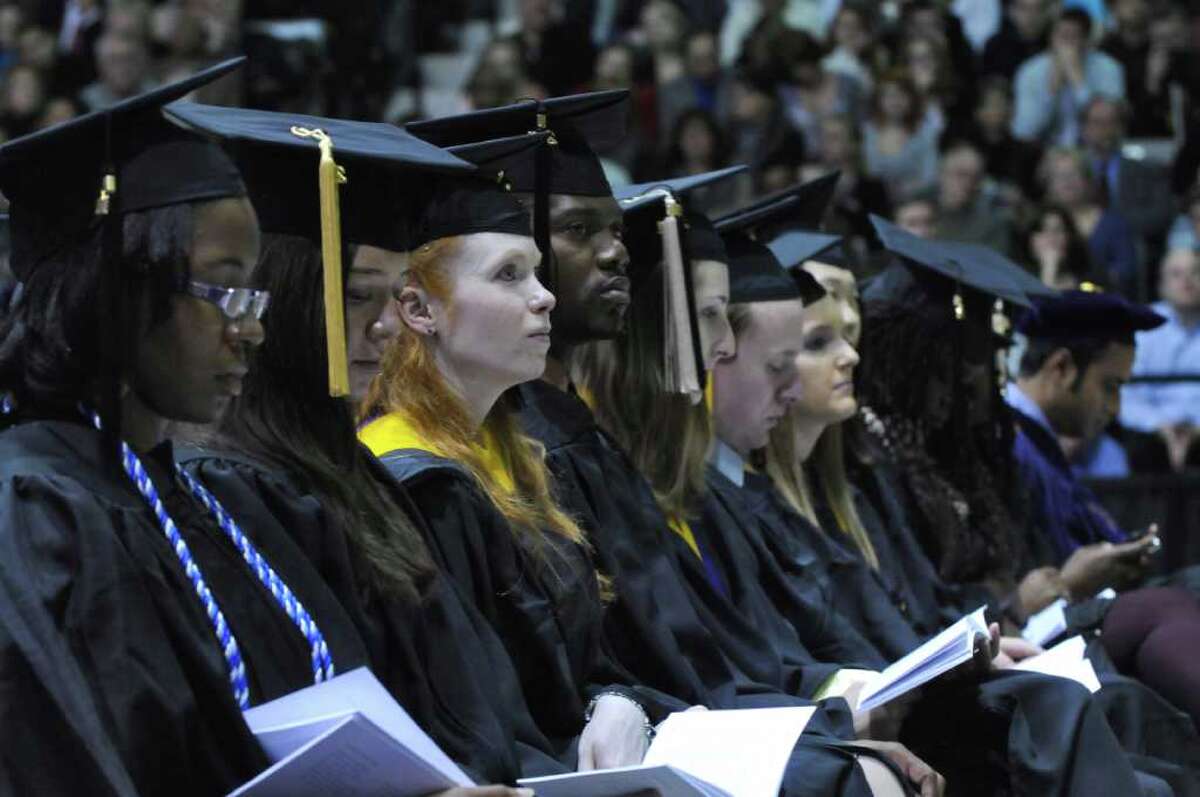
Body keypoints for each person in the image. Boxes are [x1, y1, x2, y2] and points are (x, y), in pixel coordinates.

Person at [173, 104, 600, 787]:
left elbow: (483, 706)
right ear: (287, 298)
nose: (385, 326)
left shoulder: (358, 478)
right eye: (356, 295)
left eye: (395, 296)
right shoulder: (227, 487)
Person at [0, 59, 375, 797]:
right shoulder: (32, 516)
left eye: (254, 293)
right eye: (224, 289)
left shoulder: (225, 502)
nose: (253, 330)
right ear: (115, 291)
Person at [1120, 247, 1200, 471]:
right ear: (1162, 286)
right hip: (1151, 434)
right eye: (1176, 274)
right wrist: (1161, 427)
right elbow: (1126, 395)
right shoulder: (1145, 324)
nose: (1187, 280)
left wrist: (1194, 432)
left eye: (1195, 272)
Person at [1011, 8, 1124, 147]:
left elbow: (1108, 126)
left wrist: (1079, 82)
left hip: (1095, 150)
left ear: (1086, 40)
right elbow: (1025, 131)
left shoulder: (1109, 68)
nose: (1066, 45)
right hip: (1043, 151)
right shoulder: (1030, 71)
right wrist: (1051, 91)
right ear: (1050, 37)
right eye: (1062, 36)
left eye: (1073, 37)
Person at [1039, 147, 1139, 297]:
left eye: (1074, 174)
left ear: (1088, 179)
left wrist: (1080, 284)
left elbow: (1125, 273)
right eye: (1060, 176)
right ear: (1048, 184)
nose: (1067, 182)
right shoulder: (1038, 224)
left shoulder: (1113, 224)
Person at [1078, 96, 1175, 250]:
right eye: (1097, 122)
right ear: (1084, 129)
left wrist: (1115, 228)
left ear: (1121, 128)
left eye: (1112, 122)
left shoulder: (1148, 170)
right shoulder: (1074, 169)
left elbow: (1161, 214)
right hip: (1080, 245)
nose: (1105, 129)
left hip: (1134, 246)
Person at [861, 70, 939, 201]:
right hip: (875, 202)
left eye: (901, 95)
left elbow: (929, 178)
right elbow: (867, 174)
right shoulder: (868, 131)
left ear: (912, 99)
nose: (895, 101)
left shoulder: (926, 133)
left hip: (916, 202)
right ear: (879, 100)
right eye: (889, 96)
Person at [932, 139, 1015, 257]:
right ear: (942, 173)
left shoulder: (992, 225)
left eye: (976, 178)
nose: (968, 183)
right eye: (961, 174)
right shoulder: (916, 206)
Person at [1019, 204, 1098, 289]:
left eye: (1058, 229)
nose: (1051, 236)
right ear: (1029, 239)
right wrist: (1049, 271)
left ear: (1070, 238)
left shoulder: (1088, 283)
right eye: (1042, 230)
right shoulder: (1015, 280)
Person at [981, 0, 1051, 80]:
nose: (1032, 16)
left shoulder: (1055, 45)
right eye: (1023, 8)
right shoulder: (996, 47)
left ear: (1048, 11)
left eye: (1039, 9)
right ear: (1011, 11)